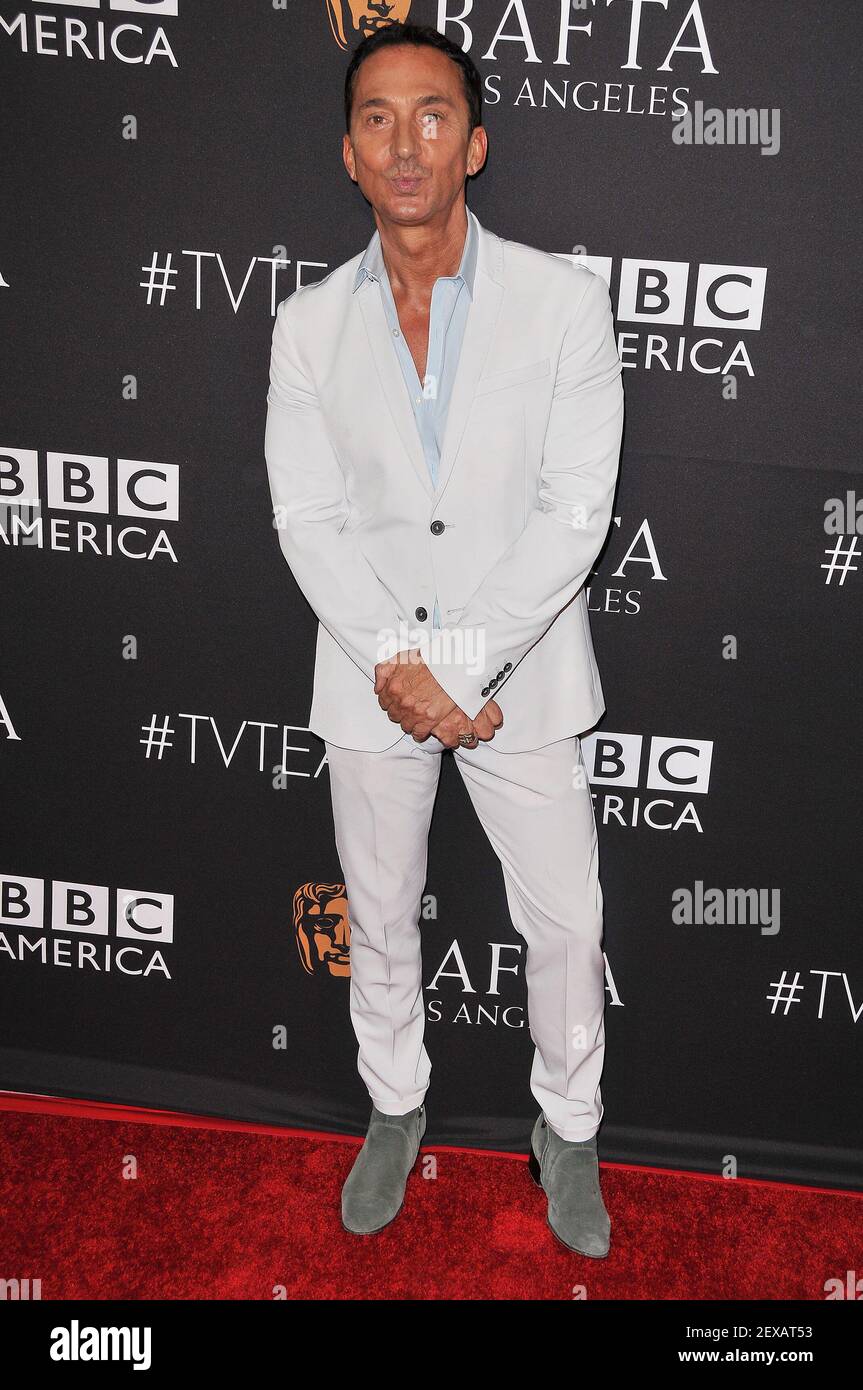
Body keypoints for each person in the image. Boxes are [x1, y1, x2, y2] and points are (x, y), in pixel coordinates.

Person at [264, 21, 624, 1257]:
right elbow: (306, 516)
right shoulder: (306, 327)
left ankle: (565, 1128)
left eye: (430, 115)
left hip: (512, 685)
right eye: (377, 117)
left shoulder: (565, 304)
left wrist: (456, 669)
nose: (404, 140)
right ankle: (395, 1106)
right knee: (378, 912)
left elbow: (575, 512)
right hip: (373, 680)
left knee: (567, 922)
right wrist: (399, 667)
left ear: (472, 141)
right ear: (348, 154)